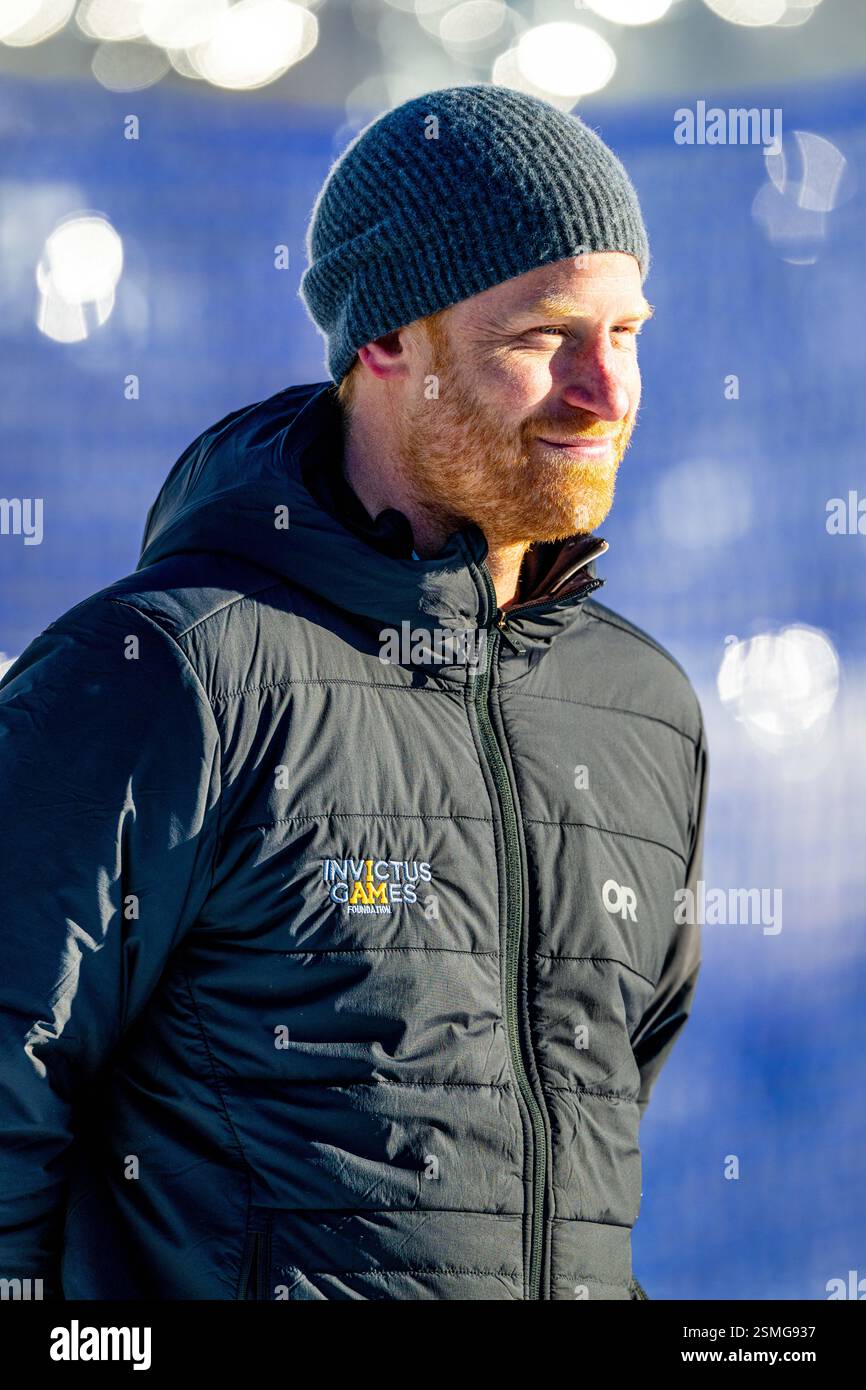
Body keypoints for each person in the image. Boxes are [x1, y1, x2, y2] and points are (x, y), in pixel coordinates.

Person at [0, 83, 708, 1301]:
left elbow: (567, 1157)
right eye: (544, 339)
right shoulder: (168, 678)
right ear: (387, 341)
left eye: (627, 333)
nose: (605, 391)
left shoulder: (638, 709)